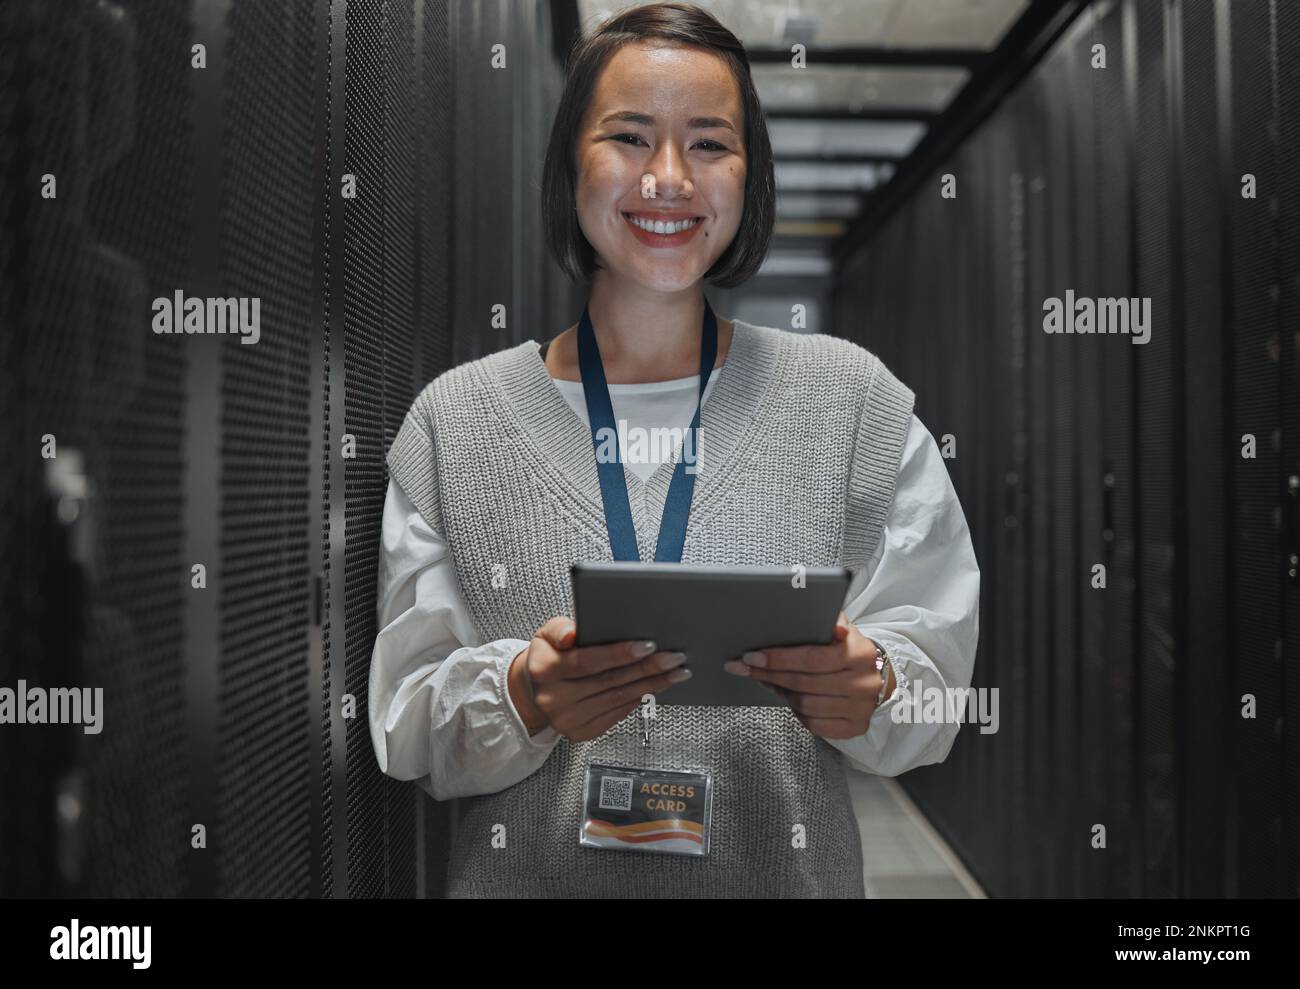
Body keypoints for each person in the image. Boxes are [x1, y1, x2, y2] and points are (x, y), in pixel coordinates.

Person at [368, 1, 979, 898]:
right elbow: (405, 723)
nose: (667, 179)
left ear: (749, 174)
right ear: (569, 166)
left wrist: (877, 686)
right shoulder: (453, 424)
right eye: (628, 137)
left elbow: (937, 688)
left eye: (708, 143)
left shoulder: (854, 405)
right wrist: (526, 696)